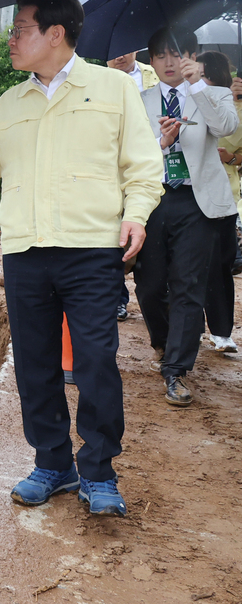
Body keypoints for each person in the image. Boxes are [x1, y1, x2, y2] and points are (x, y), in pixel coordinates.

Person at [0, 0, 162, 518]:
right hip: (24, 250)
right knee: (35, 364)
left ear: (55, 34)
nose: (11, 40)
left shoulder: (113, 90)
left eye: (20, 28)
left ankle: (98, 469)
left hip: (92, 249)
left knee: (95, 362)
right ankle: (52, 463)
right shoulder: (8, 103)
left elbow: (143, 166)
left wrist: (135, 214)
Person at [134, 30, 239, 406]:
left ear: (192, 57)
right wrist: (160, 144)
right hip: (154, 200)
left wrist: (197, 88)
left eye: (176, 55)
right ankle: (163, 342)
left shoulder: (213, 94)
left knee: (188, 285)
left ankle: (176, 370)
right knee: (148, 286)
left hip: (198, 204)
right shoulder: (139, 100)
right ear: (150, 60)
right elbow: (127, 152)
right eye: (160, 55)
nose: (169, 62)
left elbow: (226, 127)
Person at [107, 50, 155, 320]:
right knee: (115, 240)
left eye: (124, 51)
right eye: (112, 54)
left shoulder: (155, 77)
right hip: (113, 173)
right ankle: (118, 299)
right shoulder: (96, 83)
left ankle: (156, 296)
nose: (119, 57)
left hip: (146, 169)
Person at [197, 51, 241, 353]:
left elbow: (230, 132)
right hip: (189, 193)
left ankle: (222, 331)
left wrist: (234, 157)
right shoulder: (190, 99)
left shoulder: (230, 103)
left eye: (200, 73)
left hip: (224, 193)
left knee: (219, 266)